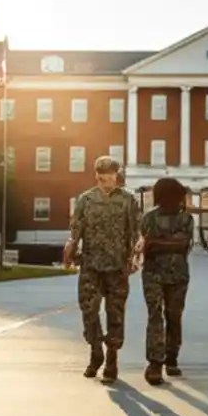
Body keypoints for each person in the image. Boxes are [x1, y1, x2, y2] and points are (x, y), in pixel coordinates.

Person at [64, 156, 140, 385]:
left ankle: (111, 359)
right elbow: (76, 228)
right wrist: (70, 247)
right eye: (100, 173)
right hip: (91, 266)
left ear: (117, 174)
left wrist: (136, 255)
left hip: (117, 267)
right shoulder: (86, 200)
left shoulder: (128, 200)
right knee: (88, 311)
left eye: (108, 173)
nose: (104, 177)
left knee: (115, 315)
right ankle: (96, 349)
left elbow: (136, 231)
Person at [135, 177, 194, 385]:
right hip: (153, 275)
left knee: (174, 316)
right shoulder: (149, 218)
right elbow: (148, 245)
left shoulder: (186, 219)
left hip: (178, 276)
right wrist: (165, 243)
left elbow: (182, 244)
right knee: (155, 317)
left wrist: (157, 243)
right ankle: (154, 363)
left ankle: (172, 357)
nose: (179, 201)